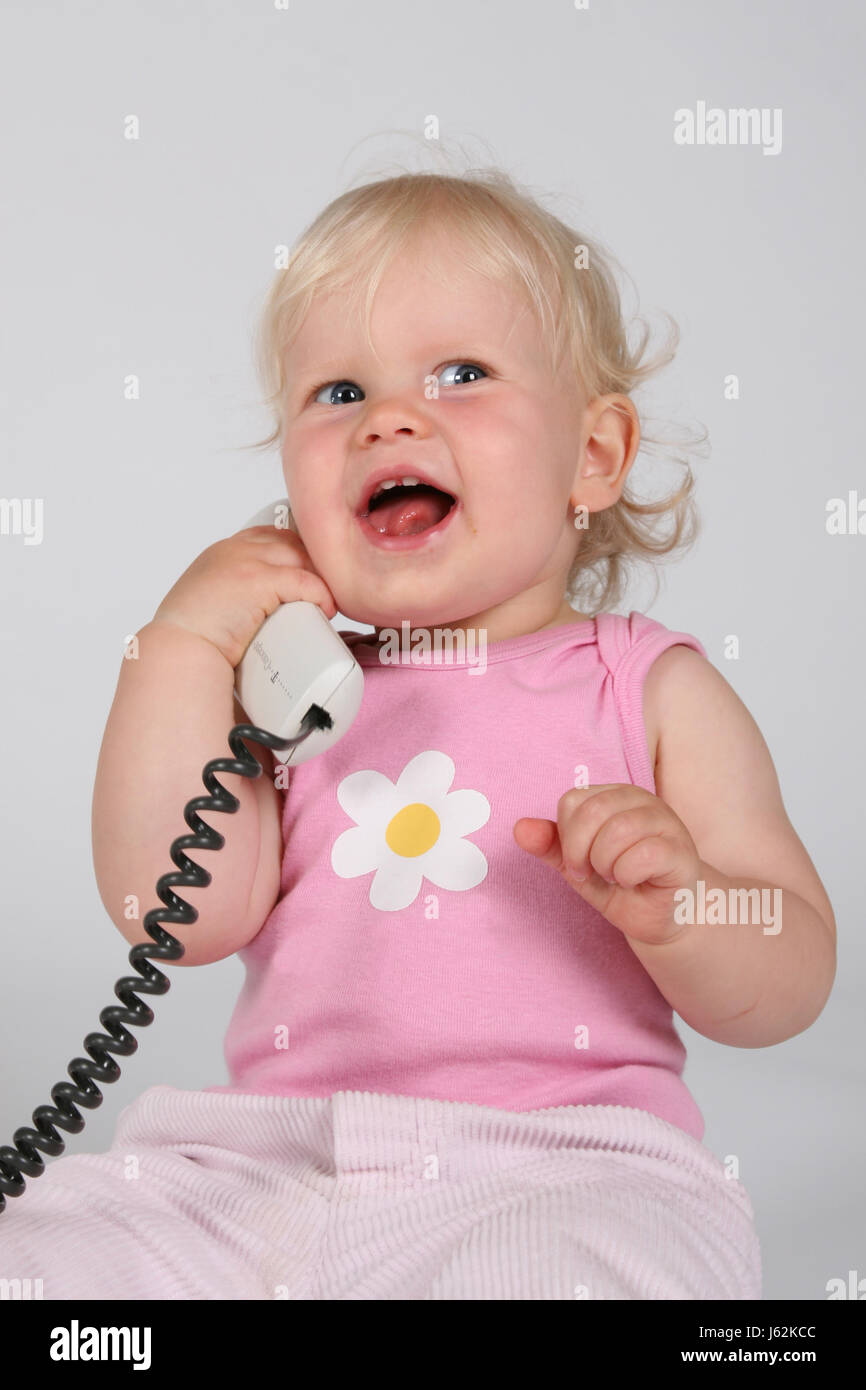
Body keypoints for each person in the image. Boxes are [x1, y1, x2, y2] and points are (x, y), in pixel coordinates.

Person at [0, 168, 836, 1300]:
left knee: (566, 1277)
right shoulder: (292, 691)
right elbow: (176, 919)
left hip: (558, 1171)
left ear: (592, 456)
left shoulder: (648, 690)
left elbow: (789, 979)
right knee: (55, 1248)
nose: (390, 416)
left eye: (462, 374)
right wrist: (187, 645)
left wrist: (683, 903)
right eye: (336, 392)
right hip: (267, 1165)